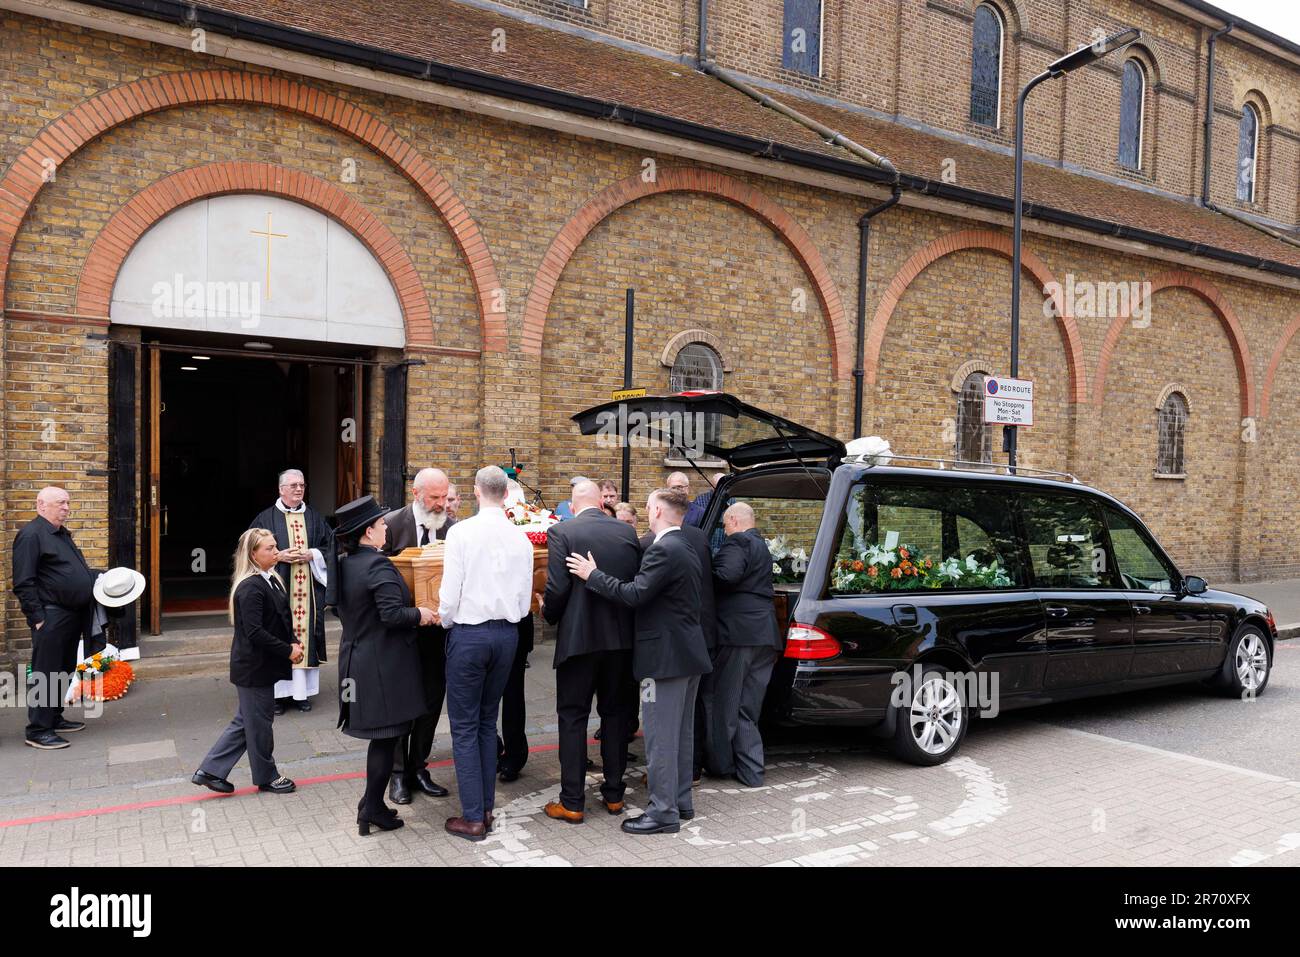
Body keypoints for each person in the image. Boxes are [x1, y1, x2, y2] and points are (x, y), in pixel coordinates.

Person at [566, 488, 711, 835]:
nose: (646, 513)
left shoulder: (664, 549)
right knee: (680, 734)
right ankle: (681, 803)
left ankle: (663, 812)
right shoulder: (688, 545)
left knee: (661, 738)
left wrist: (592, 575)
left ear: (658, 510)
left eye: (648, 507)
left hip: (664, 661)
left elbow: (634, 594)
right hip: (687, 655)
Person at [437, 466, 534, 841]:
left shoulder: (461, 532)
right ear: (506, 495)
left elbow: (450, 592)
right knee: (485, 721)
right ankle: (486, 807)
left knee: (464, 726)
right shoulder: (521, 539)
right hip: (507, 635)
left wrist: (446, 620)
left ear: (476, 491)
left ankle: (474, 816)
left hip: (470, 634)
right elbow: (525, 601)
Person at [539, 480, 640, 824]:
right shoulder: (626, 534)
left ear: (572, 502)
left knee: (572, 717)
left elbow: (557, 588)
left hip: (579, 641)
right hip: (621, 642)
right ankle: (614, 796)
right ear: (601, 500)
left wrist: (546, 614)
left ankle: (573, 801)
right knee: (615, 715)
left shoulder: (562, 532)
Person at [335, 496, 436, 835]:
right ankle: (372, 807)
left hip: (355, 660)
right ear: (368, 532)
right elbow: (392, 615)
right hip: (381, 666)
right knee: (385, 738)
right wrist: (420, 614)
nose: (386, 528)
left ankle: (371, 805)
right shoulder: (378, 566)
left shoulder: (345, 563)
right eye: (380, 525)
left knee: (382, 740)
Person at [192, 529, 303, 795]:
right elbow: (255, 633)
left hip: (261, 666)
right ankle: (267, 776)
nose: (276, 551)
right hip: (253, 668)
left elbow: (280, 619)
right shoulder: (251, 587)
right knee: (259, 724)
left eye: (276, 546)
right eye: (269, 548)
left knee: (248, 721)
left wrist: (294, 641)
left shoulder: (271, 579)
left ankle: (210, 771)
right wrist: (286, 650)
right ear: (253, 554)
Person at [382, 468, 454, 803]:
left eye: (444, 497)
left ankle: (418, 767)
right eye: (434, 498)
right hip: (400, 633)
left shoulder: (454, 528)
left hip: (438, 636)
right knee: (400, 704)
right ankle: (397, 774)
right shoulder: (391, 525)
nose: (441, 504)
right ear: (416, 493)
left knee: (430, 702)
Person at [12, 487, 98, 750]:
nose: (66, 507)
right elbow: (23, 582)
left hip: (70, 615)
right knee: (46, 673)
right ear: (41, 505)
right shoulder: (31, 535)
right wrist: (37, 617)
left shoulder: (59, 534)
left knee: (63, 670)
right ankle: (38, 730)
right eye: (60, 503)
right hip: (50, 616)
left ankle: (54, 717)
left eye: (67, 503)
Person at [249, 469, 334, 715]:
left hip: (307, 593)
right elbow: (249, 549)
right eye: (293, 485)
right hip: (278, 591)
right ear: (281, 489)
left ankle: (300, 694)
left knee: (304, 637)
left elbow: (331, 547)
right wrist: (277, 555)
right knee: (277, 634)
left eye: (302, 485)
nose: (298, 489)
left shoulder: (315, 518)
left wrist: (313, 554)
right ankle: (276, 696)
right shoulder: (265, 519)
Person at [709, 503, 782, 787]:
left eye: (725, 525)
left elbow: (726, 575)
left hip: (737, 635)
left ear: (734, 520)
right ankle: (752, 772)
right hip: (764, 634)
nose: (725, 530)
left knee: (725, 704)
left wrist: (704, 575)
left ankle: (721, 765)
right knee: (748, 707)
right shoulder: (761, 545)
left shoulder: (737, 541)